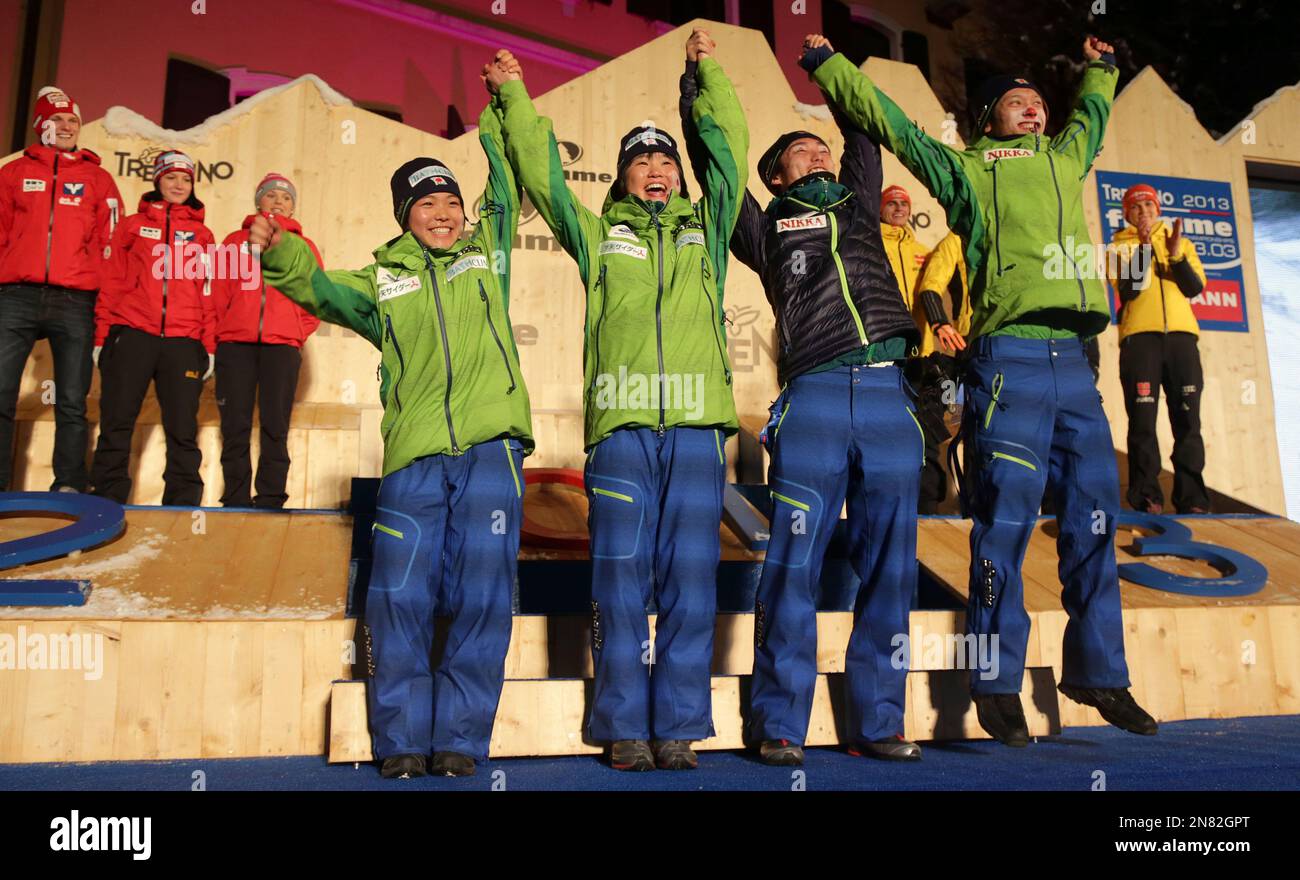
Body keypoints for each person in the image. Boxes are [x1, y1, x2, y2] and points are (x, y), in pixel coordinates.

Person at [794, 32, 1157, 744]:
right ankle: (995, 680)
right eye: (1016, 103)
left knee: (1093, 519)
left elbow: (1092, 116)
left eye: (1037, 103)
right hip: (1010, 361)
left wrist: (1101, 70)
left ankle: (1100, 674)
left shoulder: (1065, 156)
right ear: (989, 117)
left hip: (1075, 365)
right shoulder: (963, 170)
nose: (1032, 111)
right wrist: (828, 64)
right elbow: (893, 125)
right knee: (1007, 524)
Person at [253, 60, 532, 779]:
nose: (442, 212)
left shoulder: (487, 253)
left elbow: (507, 176)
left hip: (491, 449)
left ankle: (462, 741)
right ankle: (402, 739)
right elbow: (317, 289)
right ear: (404, 214)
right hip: (413, 454)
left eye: (449, 201)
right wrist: (279, 251)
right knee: (399, 596)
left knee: (482, 597)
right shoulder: (382, 279)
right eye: (425, 203)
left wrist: (505, 97)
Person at [496, 28, 745, 771]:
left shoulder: (710, 225)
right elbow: (542, 176)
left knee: (693, 582)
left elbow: (727, 154)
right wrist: (513, 95)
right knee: (618, 577)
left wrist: (707, 75)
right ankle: (623, 723)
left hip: (698, 429)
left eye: (665, 159)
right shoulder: (599, 236)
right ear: (623, 180)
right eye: (641, 161)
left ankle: (678, 724)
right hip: (623, 429)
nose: (656, 169)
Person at [725, 51, 926, 763]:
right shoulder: (764, 228)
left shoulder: (860, 206)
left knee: (892, 565)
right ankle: (778, 721)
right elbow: (720, 172)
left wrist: (828, 66)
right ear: (776, 177)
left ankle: (880, 720)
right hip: (812, 398)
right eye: (796, 152)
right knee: (792, 564)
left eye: (819, 147)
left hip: (885, 397)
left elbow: (861, 129)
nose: (815, 152)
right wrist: (699, 94)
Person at [0, 86, 123, 492]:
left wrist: (101, 298)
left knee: (71, 399)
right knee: (1, 392)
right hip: (15, 295)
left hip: (75, 299)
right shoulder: (14, 173)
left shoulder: (97, 179)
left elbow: (110, 246)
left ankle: (70, 483)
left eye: (73, 120)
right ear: (41, 126)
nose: (68, 126)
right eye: (59, 120)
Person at [90, 151, 215, 506]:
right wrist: (102, 335)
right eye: (171, 177)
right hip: (132, 334)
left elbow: (207, 291)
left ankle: (183, 502)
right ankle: (106, 498)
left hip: (183, 340)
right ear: (157, 180)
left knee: (183, 428)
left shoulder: (202, 234)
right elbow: (111, 281)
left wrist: (208, 345)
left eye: (186, 179)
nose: (178, 185)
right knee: (117, 421)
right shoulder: (131, 225)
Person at [213, 173, 322, 509]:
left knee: (275, 425)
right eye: (271, 195)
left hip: (282, 348)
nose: (278, 201)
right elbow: (217, 292)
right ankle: (234, 498)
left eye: (286, 197)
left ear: (293, 206)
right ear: (258, 201)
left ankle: (271, 498)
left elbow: (315, 297)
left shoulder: (304, 246)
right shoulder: (233, 242)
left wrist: (294, 333)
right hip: (235, 346)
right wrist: (222, 332)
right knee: (235, 425)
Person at [1107, 183, 1209, 514]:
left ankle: (1192, 499)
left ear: (1158, 209)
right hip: (1140, 340)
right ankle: (1146, 496)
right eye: (1136, 208)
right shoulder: (1117, 248)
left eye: (1149, 207)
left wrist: (1175, 253)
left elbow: (1194, 288)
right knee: (1142, 422)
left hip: (1181, 340)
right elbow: (1130, 290)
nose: (1144, 213)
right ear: (1126, 214)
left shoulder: (1182, 243)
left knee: (1188, 421)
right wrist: (1146, 249)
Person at [911, 228, 972, 513]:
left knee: (985, 428)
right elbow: (930, 287)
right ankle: (926, 506)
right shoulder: (954, 241)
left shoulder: (1006, 234)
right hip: (963, 347)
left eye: (904, 204)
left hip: (1006, 344)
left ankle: (978, 503)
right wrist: (939, 322)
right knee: (940, 427)